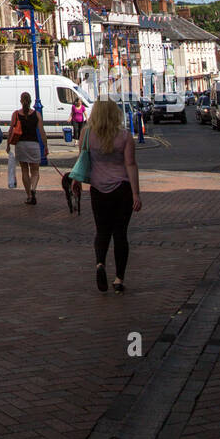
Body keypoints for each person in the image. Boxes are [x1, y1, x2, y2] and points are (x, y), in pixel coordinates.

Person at [84, 95, 142, 293]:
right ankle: (118, 279)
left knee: (102, 231)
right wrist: (136, 194)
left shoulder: (87, 134)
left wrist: (76, 181)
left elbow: (83, 160)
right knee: (120, 234)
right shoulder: (124, 136)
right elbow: (130, 164)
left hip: (98, 189)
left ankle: (100, 263)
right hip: (122, 189)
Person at [6, 90, 50, 205]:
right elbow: (42, 132)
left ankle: (29, 196)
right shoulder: (36, 114)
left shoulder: (16, 114)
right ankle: (33, 189)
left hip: (20, 145)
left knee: (24, 170)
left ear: (21, 101)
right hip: (33, 145)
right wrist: (45, 146)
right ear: (30, 101)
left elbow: (10, 130)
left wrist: (7, 145)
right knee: (35, 171)